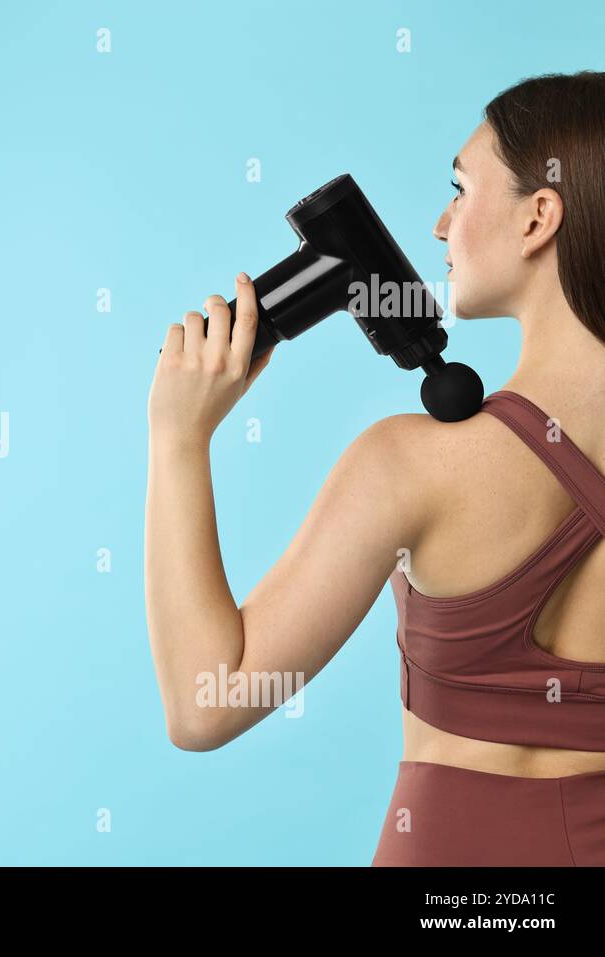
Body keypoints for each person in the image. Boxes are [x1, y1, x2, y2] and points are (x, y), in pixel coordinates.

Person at [144, 70, 605, 866]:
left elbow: (201, 706)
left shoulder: (412, 465)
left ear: (540, 216)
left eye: (460, 189)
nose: (438, 225)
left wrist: (177, 440)